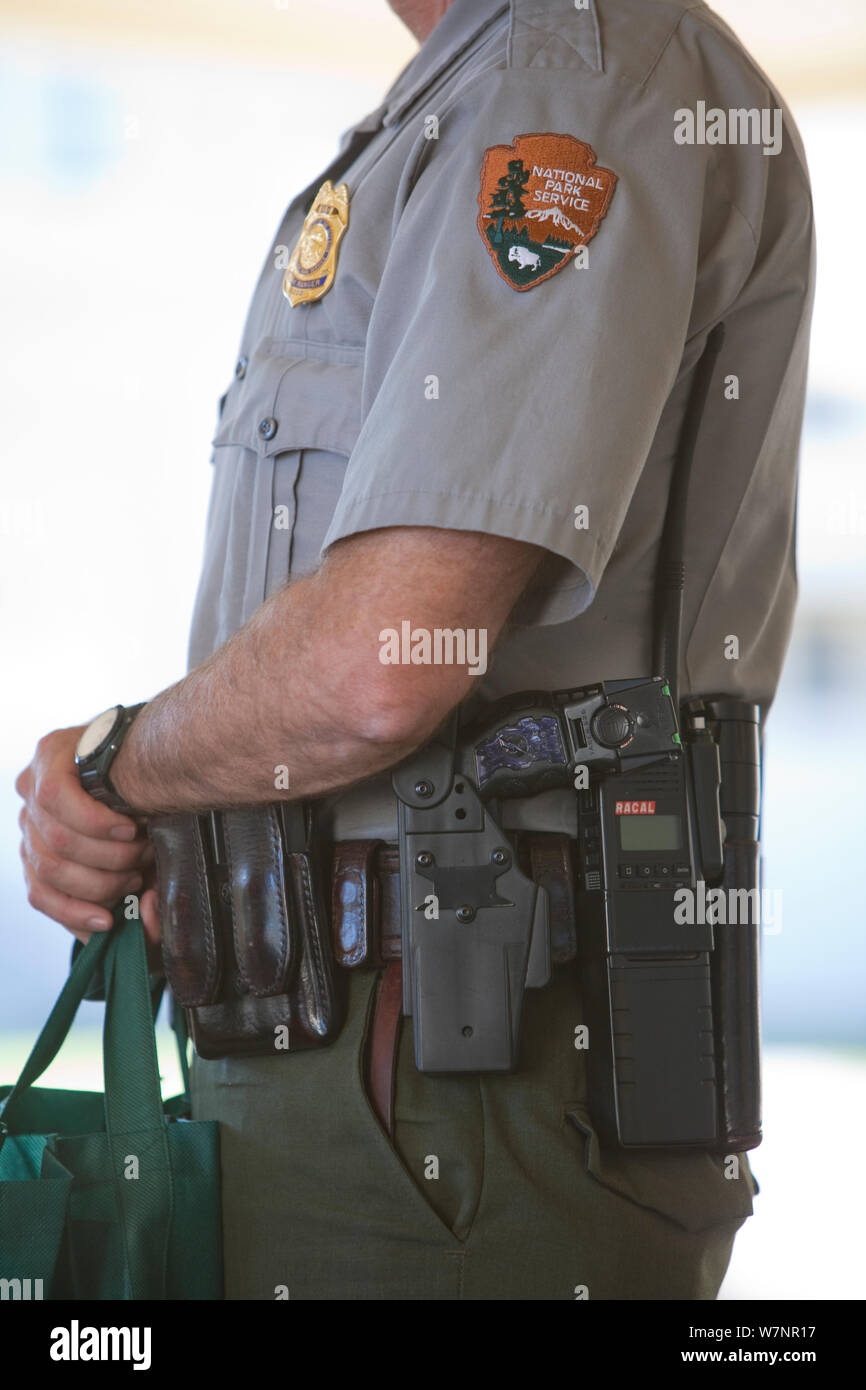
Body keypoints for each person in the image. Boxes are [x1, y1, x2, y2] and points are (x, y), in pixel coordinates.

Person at [15, 0, 815, 1299]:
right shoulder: (462, 101)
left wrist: (114, 771)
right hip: (349, 1060)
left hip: (450, 1091)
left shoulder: (573, 78)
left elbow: (382, 662)